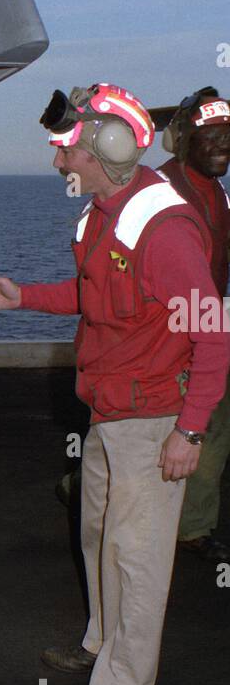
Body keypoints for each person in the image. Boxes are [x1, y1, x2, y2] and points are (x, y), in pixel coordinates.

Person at [0, 83, 230, 685]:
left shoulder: (162, 230)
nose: (58, 162)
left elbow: (213, 334)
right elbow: (98, 296)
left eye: (67, 150)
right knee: (98, 538)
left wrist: (189, 432)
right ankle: (103, 644)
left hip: (151, 416)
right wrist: (22, 296)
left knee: (137, 555)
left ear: (104, 147)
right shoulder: (104, 211)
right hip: (108, 411)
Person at [159, 89, 230, 562]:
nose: (223, 144)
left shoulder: (217, 192)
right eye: (212, 136)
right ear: (184, 139)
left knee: (212, 430)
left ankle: (193, 529)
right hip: (167, 337)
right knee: (155, 436)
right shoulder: (164, 190)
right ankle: (85, 487)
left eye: (229, 135)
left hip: (207, 328)